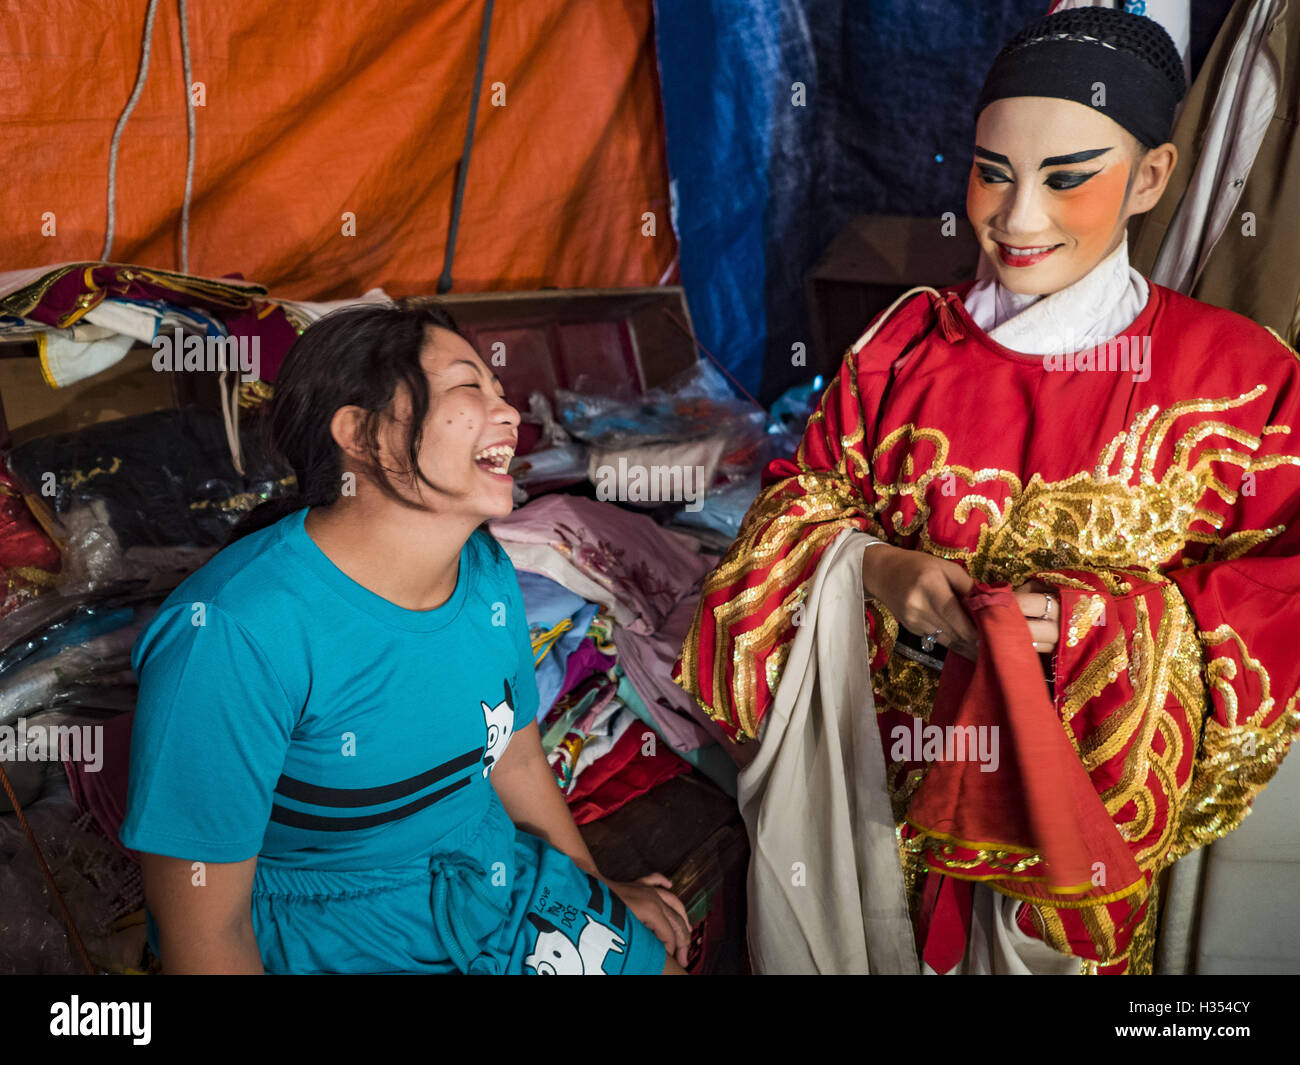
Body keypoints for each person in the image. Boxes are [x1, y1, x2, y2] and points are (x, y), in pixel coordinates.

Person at [675, 6, 1300, 975]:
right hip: (883, 839)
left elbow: (1280, 598)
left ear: (1150, 178)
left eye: (1067, 179)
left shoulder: (1241, 384)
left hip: (1093, 879)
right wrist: (871, 569)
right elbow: (789, 514)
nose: (1016, 219)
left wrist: (1103, 631)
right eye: (992, 172)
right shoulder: (901, 352)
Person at [120, 299, 690, 974]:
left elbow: (514, 759)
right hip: (332, 936)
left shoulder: (485, 575)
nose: (508, 414)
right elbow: (208, 937)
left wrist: (594, 896)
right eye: (468, 387)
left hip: (492, 880)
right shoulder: (233, 635)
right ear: (361, 436)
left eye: (500, 391)